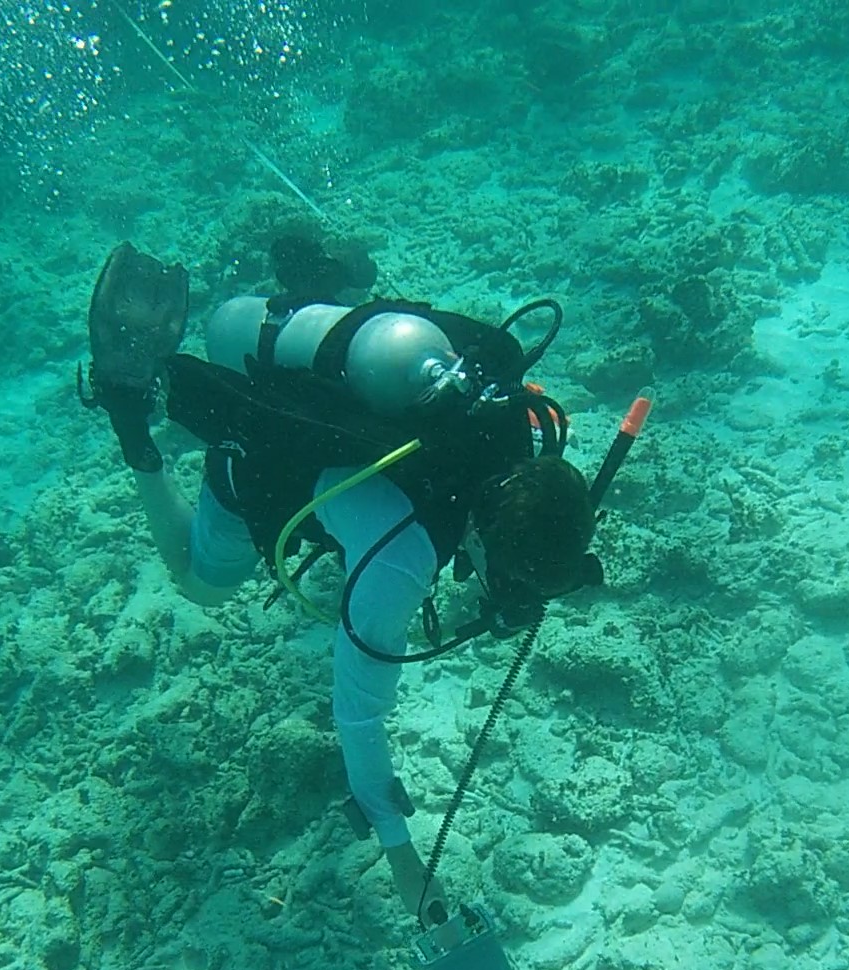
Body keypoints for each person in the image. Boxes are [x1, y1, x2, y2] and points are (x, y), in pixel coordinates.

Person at [79, 237, 602, 921]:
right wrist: (404, 861)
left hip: (340, 359)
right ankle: (129, 414)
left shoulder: (511, 434)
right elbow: (358, 714)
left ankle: (316, 285)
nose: (502, 595)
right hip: (264, 466)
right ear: (483, 537)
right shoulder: (400, 560)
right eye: (506, 580)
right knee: (201, 582)